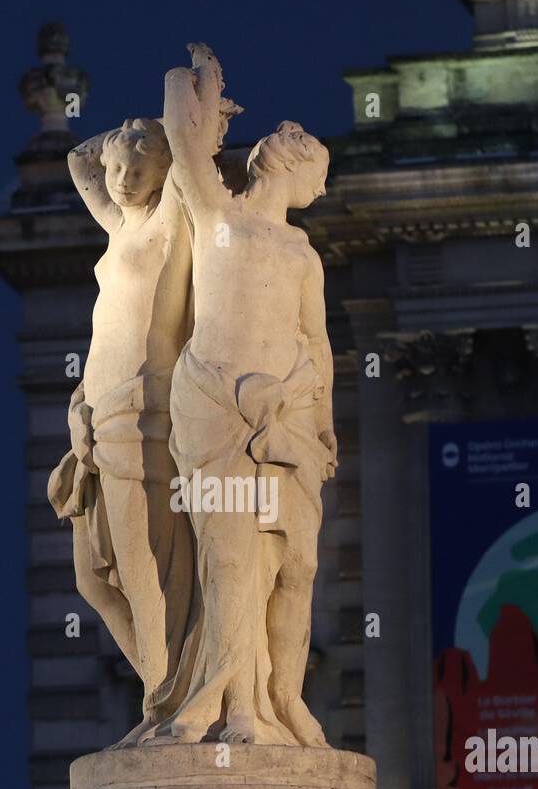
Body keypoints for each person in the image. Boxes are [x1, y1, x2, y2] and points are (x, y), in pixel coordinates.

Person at [157, 45, 337, 746]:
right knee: (230, 560)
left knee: (297, 566)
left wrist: (323, 426)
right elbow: (180, 135)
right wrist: (199, 83)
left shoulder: (303, 254)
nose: (320, 193)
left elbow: (315, 342)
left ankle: (281, 698)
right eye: (318, 177)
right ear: (287, 165)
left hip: (287, 420)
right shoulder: (216, 217)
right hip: (215, 409)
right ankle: (227, 709)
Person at [47, 118, 197, 742]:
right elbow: (79, 155)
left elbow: (185, 157)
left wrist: (179, 112)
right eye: (118, 171)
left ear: (164, 175)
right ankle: (169, 692)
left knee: (144, 566)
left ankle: (169, 706)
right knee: (93, 577)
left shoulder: (172, 221)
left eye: (140, 172)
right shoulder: (118, 229)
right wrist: (78, 405)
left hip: (145, 403)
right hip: (95, 410)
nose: (124, 181)